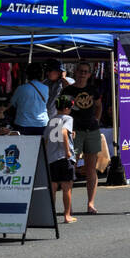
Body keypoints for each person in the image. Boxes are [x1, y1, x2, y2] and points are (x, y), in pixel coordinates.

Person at [66, 61, 104, 215]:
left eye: (85, 71)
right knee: (71, 168)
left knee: (91, 169)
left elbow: (99, 105)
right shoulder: (68, 90)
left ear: (89, 74)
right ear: (75, 72)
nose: (82, 74)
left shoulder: (93, 89)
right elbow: (62, 109)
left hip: (92, 130)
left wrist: (97, 119)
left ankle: (91, 203)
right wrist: (68, 128)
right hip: (75, 131)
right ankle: (69, 205)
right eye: (80, 71)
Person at [45, 94, 78, 223]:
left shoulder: (51, 120)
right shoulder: (68, 118)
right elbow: (64, 132)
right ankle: (66, 215)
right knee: (67, 187)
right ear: (67, 108)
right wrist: (68, 151)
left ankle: (51, 215)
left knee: (53, 187)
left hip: (51, 158)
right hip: (63, 157)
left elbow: (46, 138)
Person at [9, 62, 51, 136]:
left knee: (23, 147)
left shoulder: (21, 88)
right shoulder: (46, 88)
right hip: (42, 124)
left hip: (23, 124)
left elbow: (13, 103)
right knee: (40, 147)